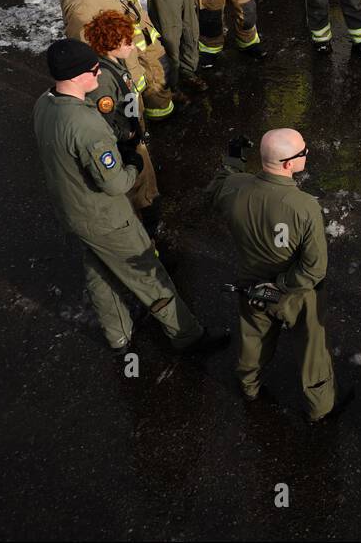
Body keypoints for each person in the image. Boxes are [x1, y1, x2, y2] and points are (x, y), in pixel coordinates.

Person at [33, 39, 223, 355]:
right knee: (147, 272)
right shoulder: (85, 123)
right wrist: (133, 164)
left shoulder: (44, 103)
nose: (98, 72)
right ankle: (188, 336)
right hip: (106, 218)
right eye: (93, 68)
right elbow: (116, 184)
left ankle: (118, 336)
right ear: (78, 74)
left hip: (73, 211)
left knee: (100, 273)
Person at [207, 129, 349, 422]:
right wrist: (281, 286)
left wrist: (232, 159)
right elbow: (314, 268)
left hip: (250, 284)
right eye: (303, 153)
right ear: (288, 164)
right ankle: (321, 407)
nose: (307, 154)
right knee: (313, 351)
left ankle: (249, 386)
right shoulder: (304, 206)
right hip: (297, 295)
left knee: (253, 339)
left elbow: (215, 188)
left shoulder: (234, 187)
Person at [62, 0, 175, 120]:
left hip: (131, 58)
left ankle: (154, 121)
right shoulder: (82, 3)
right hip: (120, 71)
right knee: (129, 116)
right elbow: (86, 50)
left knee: (148, 90)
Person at [83, 11, 161, 236]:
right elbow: (103, 124)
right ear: (110, 44)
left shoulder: (115, 63)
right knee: (140, 191)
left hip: (133, 136)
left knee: (146, 186)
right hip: (125, 146)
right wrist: (128, 138)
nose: (133, 46)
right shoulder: (103, 79)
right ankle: (146, 238)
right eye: (127, 42)